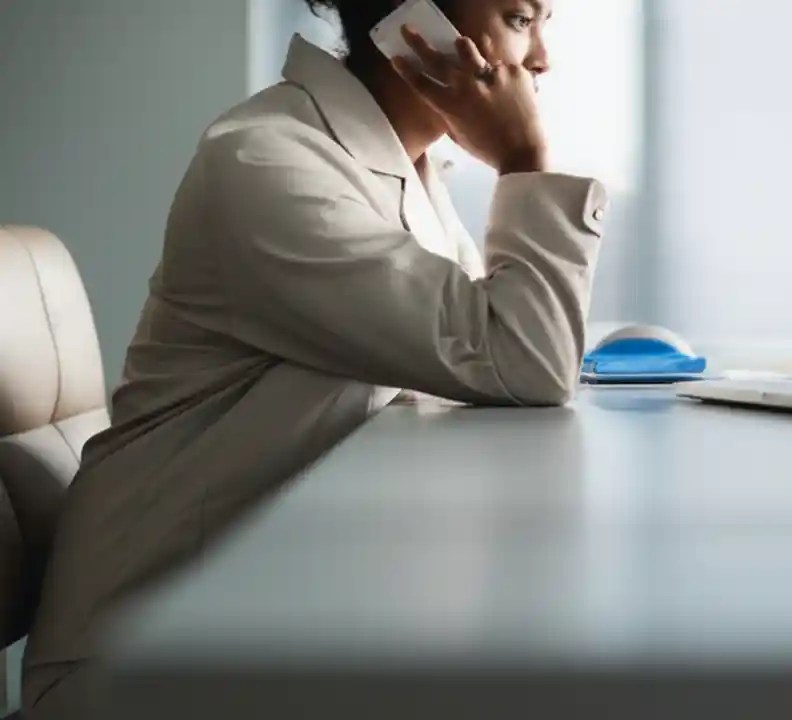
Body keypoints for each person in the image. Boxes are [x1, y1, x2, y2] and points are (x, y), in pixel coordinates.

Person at [23, 0, 606, 716]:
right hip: (141, 653)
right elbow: (525, 360)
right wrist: (525, 160)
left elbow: (495, 362)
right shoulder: (267, 161)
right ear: (417, 22)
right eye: (521, 18)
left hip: (259, 615)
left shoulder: (406, 169)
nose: (543, 58)